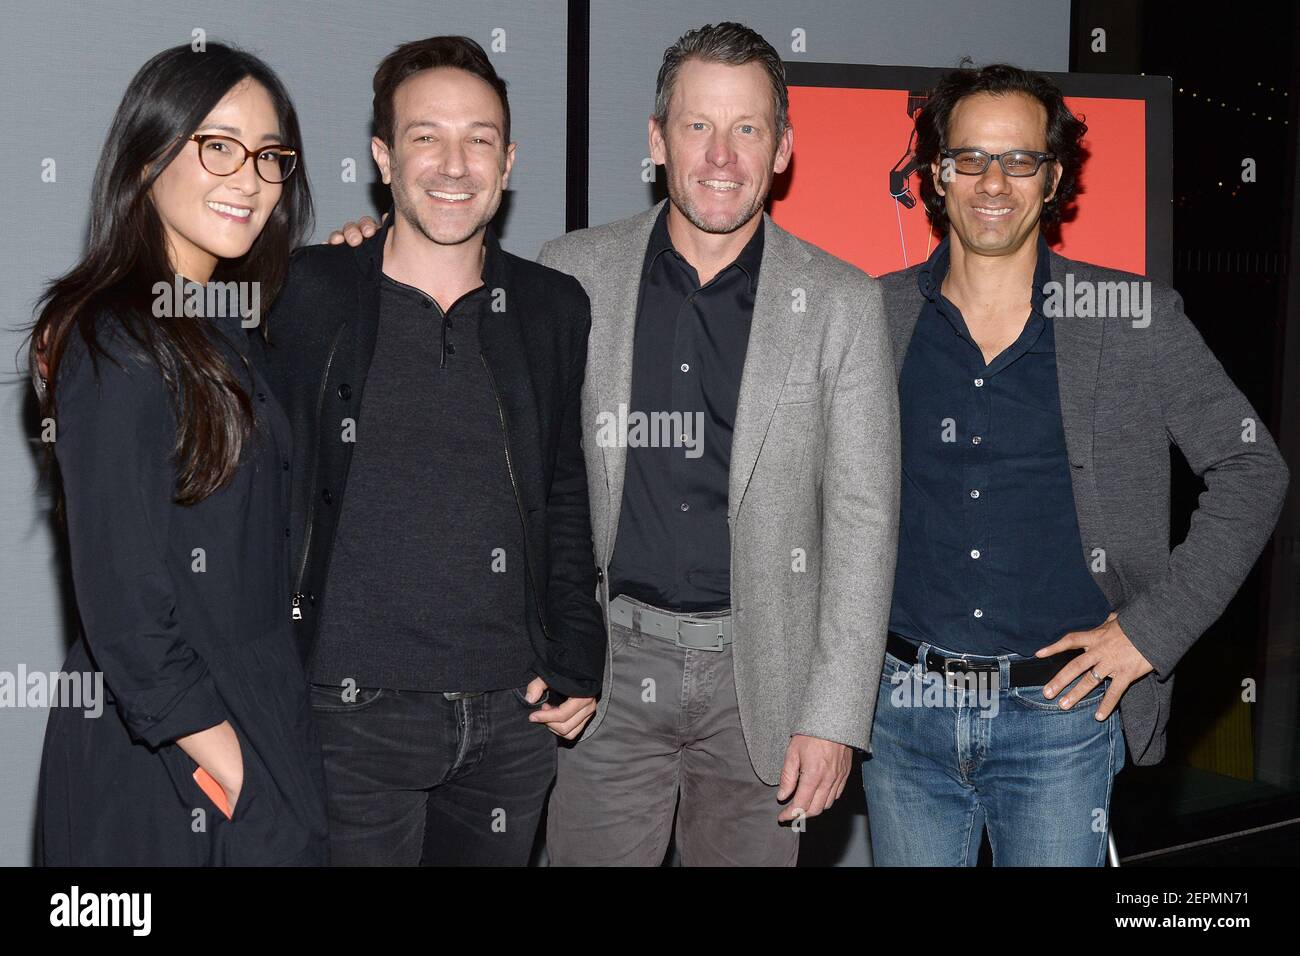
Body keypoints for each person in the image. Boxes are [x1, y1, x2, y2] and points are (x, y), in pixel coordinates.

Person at [867, 63, 1290, 865]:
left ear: (1053, 176)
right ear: (935, 174)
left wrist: (1150, 633)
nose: (994, 181)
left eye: (1020, 160)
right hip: (901, 716)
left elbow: (1252, 467)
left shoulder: (1133, 320)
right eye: (970, 158)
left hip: (1061, 720)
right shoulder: (872, 313)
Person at [261, 37, 604, 866]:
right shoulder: (307, 290)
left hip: (511, 722)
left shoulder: (553, 307)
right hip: (347, 714)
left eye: (480, 139)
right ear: (384, 156)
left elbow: (562, 492)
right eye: (425, 137)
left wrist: (578, 652)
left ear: (509, 159)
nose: (454, 164)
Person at [30, 42, 328, 865]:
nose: (251, 178)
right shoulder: (112, 338)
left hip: (249, 709)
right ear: (148, 153)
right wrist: (240, 774)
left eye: (270, 157)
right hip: (169, 745)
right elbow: (123, 602)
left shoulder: (223, 326)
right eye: (219, 145)